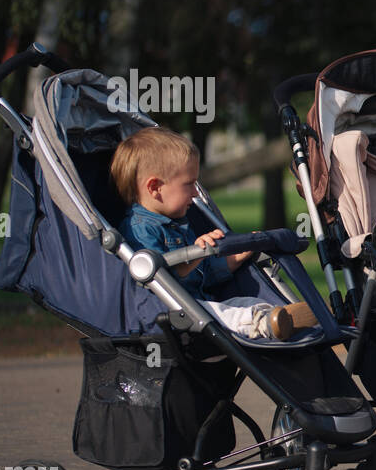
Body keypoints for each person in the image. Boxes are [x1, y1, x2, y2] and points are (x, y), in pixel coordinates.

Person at [111, 127, 317, 339]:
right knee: (222, 313)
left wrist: (235, 258)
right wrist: (195, 253)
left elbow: (205, 275)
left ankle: (279, 318)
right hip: (174, 315)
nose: (195, 194)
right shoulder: (138, 229)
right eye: (189, 184)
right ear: (155, 187)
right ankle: (264, 323)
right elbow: (160, 280)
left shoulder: (179, 223)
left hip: (202, 305)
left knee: (244, 304)